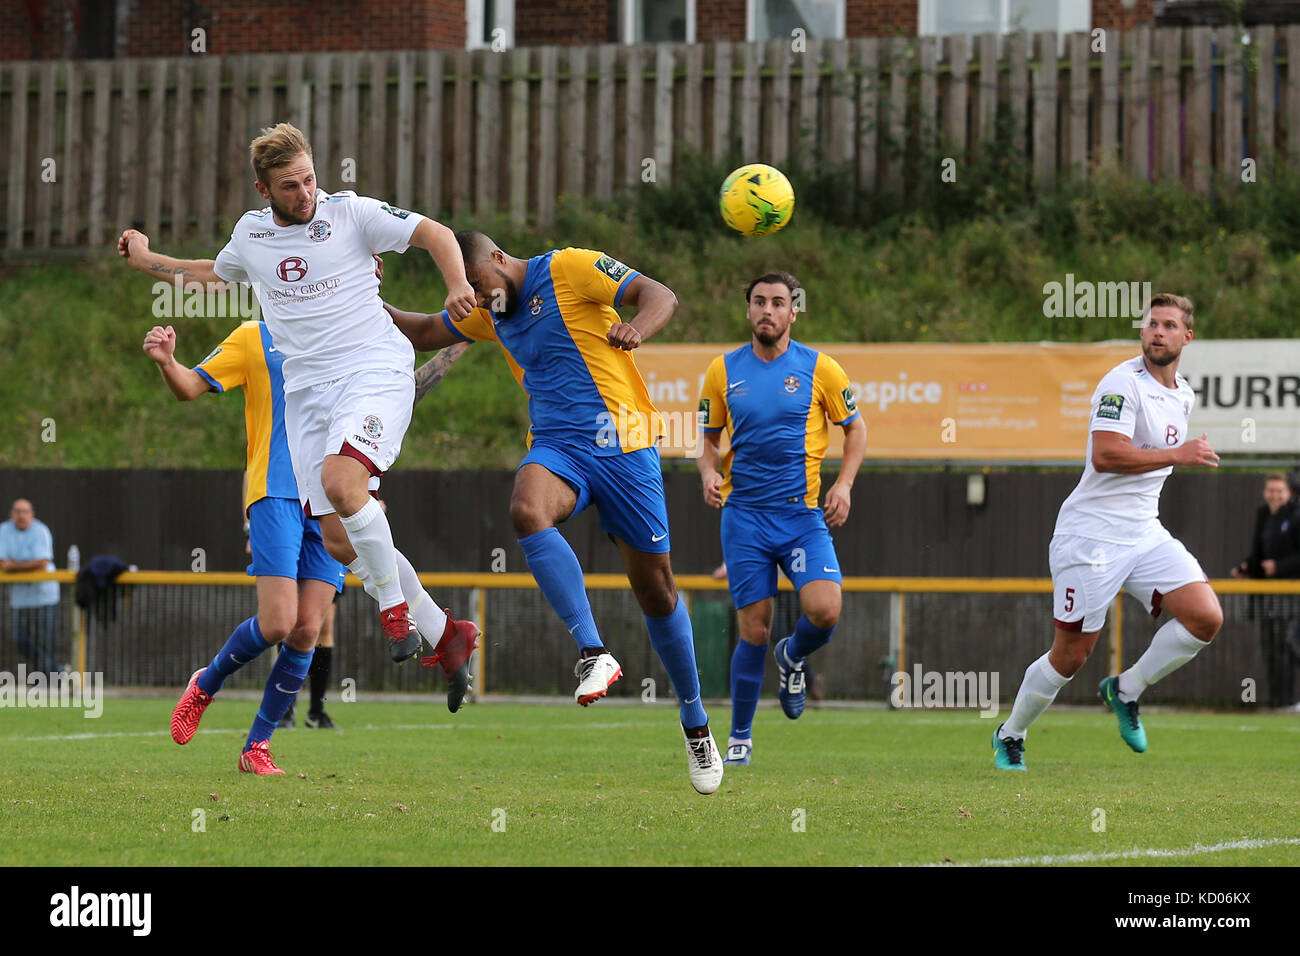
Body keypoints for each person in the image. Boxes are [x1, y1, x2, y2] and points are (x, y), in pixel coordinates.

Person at [116, 122, 480, 720]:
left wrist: (459, 285)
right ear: (265, 190)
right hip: (308, 395)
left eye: (309, 178)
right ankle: (446, 634)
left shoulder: (352, 213)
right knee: (339, 539)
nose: (305, 193)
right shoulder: (252, 237)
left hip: (374, 369)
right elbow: (213, 272)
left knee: (344, 485)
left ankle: (394, 612)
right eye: (290, 186)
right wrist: (147, 260)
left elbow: (435, 234)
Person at [384, 232, 725, 794]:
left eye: (480, 285)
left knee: (657, 592)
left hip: (624, 444)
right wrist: (358, 294)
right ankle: (594, 651)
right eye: (465, 291)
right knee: (525, 509)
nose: (480, 299)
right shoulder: (487, 309)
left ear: (498, 259)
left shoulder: (569, 268)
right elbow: (422, 331)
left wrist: (637, 327)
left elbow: (659, 294)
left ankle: (695, 723)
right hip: (558, 446)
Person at [992, 293, 1224, 770]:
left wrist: (1172, 458)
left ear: (1187, 337)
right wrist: (1175, 456)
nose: (1157, 332)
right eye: (1151, 324)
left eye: (1168, 325)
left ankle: (1126, 690)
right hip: (1090, 536)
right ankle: (1010, 733)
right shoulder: (1121, 383)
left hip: (1144, 533)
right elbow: (1107, 455)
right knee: (1072, 655)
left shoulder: (1184, 392)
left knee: (1205, 617)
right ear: (1142, 332)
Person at [695, 272, 865, 766]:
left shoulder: (821, 368)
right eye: (759, 302)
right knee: (753, 629)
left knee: (825, 610)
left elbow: (856, 430)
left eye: (778, 303)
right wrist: (708, 471)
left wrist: (844, 484)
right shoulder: (723, 371)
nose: (767, 310)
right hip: (744, 518)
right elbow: (706, 440)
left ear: (794, 312)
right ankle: (740, 737)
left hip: (801, 517)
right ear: (747, 311)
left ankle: (792, 657)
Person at [1230, 471, 1300, 707]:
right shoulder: (1264, 516)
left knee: (1290, 644)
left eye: (1279, 491)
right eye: (1270, 490)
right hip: (1268, 596)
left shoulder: (1296, 515)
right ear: (1264, 492)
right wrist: (1245, 567)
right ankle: (1278, 701)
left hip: (1292, 594)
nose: (1274, 495)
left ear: (1288, 492)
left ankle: (1291, 700)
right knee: (1271, 647)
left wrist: (1279, 566)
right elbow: (1259, 553)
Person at [0, 499, 60, 674]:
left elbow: (42, 562)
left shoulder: (40, 531)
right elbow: (2, 562)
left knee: (46, 641)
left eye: (25, 512)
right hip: (20, 598)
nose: (21, 515)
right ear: (12, 514)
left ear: (32, 515)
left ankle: (49, 679)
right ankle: (55, 672)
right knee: (20, 640)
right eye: (17, 511)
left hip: (44, 595)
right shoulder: (4, 530)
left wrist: (14, 566)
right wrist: (22, 565)